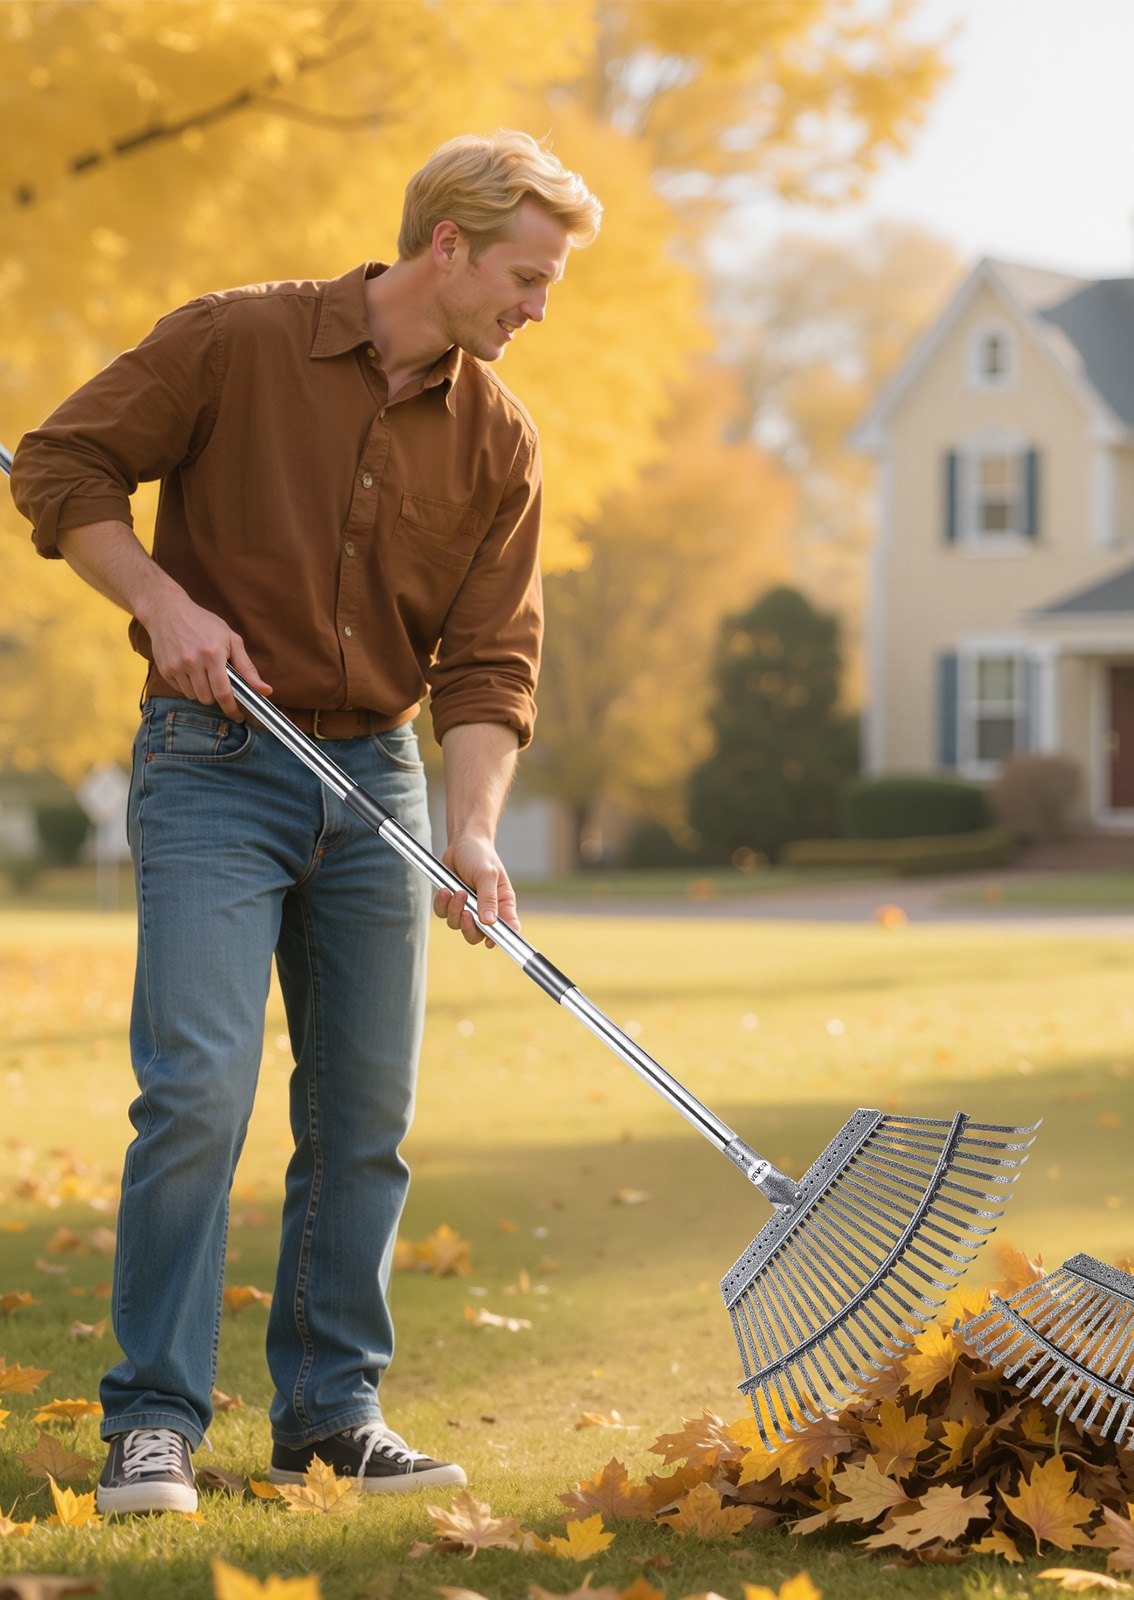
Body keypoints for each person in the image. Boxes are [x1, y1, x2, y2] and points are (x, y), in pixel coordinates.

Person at [8, 130, 601, 1516]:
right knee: (199, 1090)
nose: (540, 305)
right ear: (445, 246)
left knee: (364, 1117)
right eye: (525, 275)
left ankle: (329, 1418)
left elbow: (489, 661)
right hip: (213, 764)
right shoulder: (236, 341)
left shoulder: (500, 436)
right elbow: (60, 472)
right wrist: (163, 605)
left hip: (380, 780)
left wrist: (473, 828)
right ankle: (152, 1421)